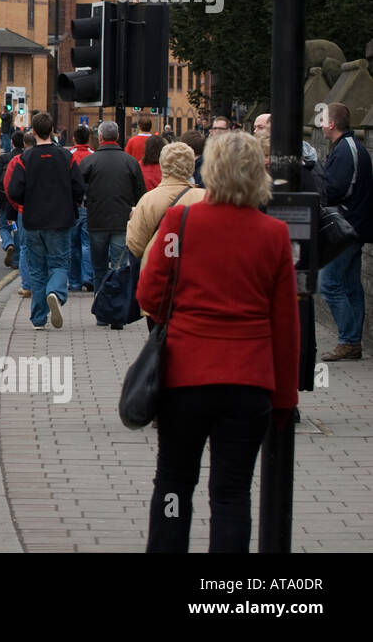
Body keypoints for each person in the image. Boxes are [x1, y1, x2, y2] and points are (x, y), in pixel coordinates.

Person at [138, 130, 299, 552]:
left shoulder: (179, 222)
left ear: (209, 169)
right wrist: (285, 399)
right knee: (231, 494)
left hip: (185, 381)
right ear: (259, 173)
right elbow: (286, 325)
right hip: (248, 385)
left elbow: (149, 295)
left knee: (174, 483)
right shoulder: (274, 234)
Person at [7, 113, 85, 329]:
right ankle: (56, 292)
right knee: (59, 263)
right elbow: (79, 187)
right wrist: (71, 202)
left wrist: (28, 201)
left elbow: (14, 191)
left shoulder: (25, 159)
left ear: (33, 132)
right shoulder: (66, 157)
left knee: (37, 270)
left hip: (33, 221)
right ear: (52, 131)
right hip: (60, 220)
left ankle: (39, 319)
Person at [318, 102, 371, 361]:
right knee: (350, 285)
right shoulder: (347, 147)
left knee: (328, 283)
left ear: (331, 124)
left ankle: (349, 340)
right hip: (354, 227)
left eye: (322, 119)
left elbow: (334, 190)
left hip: (345, 229)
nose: (319, 124)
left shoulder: (346, 150)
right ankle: (353, 342)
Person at [79, 120, 146, 286]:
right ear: (117, 136)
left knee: (99, 268)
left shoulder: (89, 162)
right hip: (122, 220)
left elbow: (78, 189)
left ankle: (100, 297)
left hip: (97, 220)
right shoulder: (131, 162)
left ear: (100, 137)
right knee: (119, 267)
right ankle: (117, 298)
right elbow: (140, 193)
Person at [126, 141, 206, 263]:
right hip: (194, 266)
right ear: (192, 166)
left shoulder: (148, 200)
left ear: (162, 165)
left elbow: (135, 247)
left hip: (158, 267)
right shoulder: (204, 198)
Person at [0, 129, 24, 270]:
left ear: (12, 142)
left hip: (5, 201)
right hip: (19, 203)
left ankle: (8, 244)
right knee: (16, 229)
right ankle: (16, 261)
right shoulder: (26, 157)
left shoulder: (5, 158)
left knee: (4, 227)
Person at [67, 126, 94, 293]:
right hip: (89, 205)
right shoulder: (93, 154)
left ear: (74, 139)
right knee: (87, 244)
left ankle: (74, 282)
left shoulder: (69, 155)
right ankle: (89, 278)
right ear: (88, 139)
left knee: (72, 245)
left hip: (71, 206)